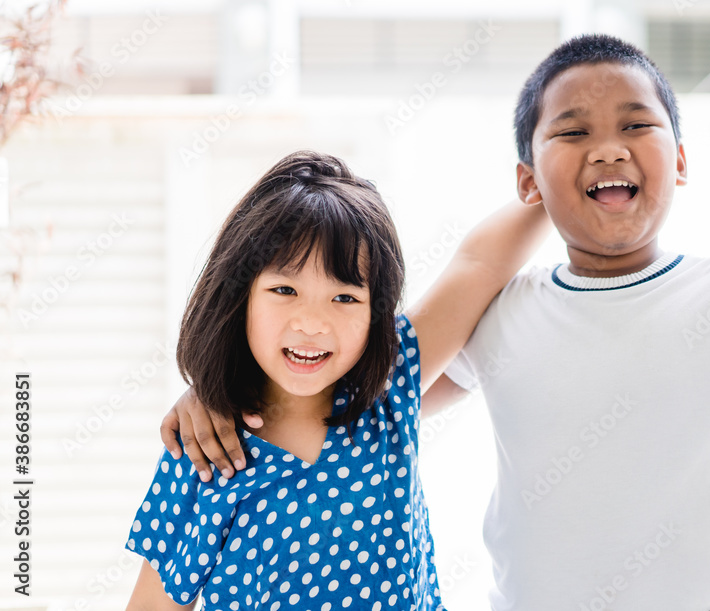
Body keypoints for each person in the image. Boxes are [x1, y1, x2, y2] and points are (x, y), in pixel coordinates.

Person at [164, 35, 710, 610]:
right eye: (573, 132)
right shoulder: (497, 317)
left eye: (637, 125)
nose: (607, 148)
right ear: (527, 180)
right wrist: (216, 397)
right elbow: (343, 396)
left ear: (680, 158)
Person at [125, 150, 548, 610]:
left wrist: (558, 185)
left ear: (375, 314)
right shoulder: (205, 452)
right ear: (238, 296)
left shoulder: (389, 387)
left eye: (344, 297)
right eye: (284, 290)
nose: (312, 322)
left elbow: (479, 265)